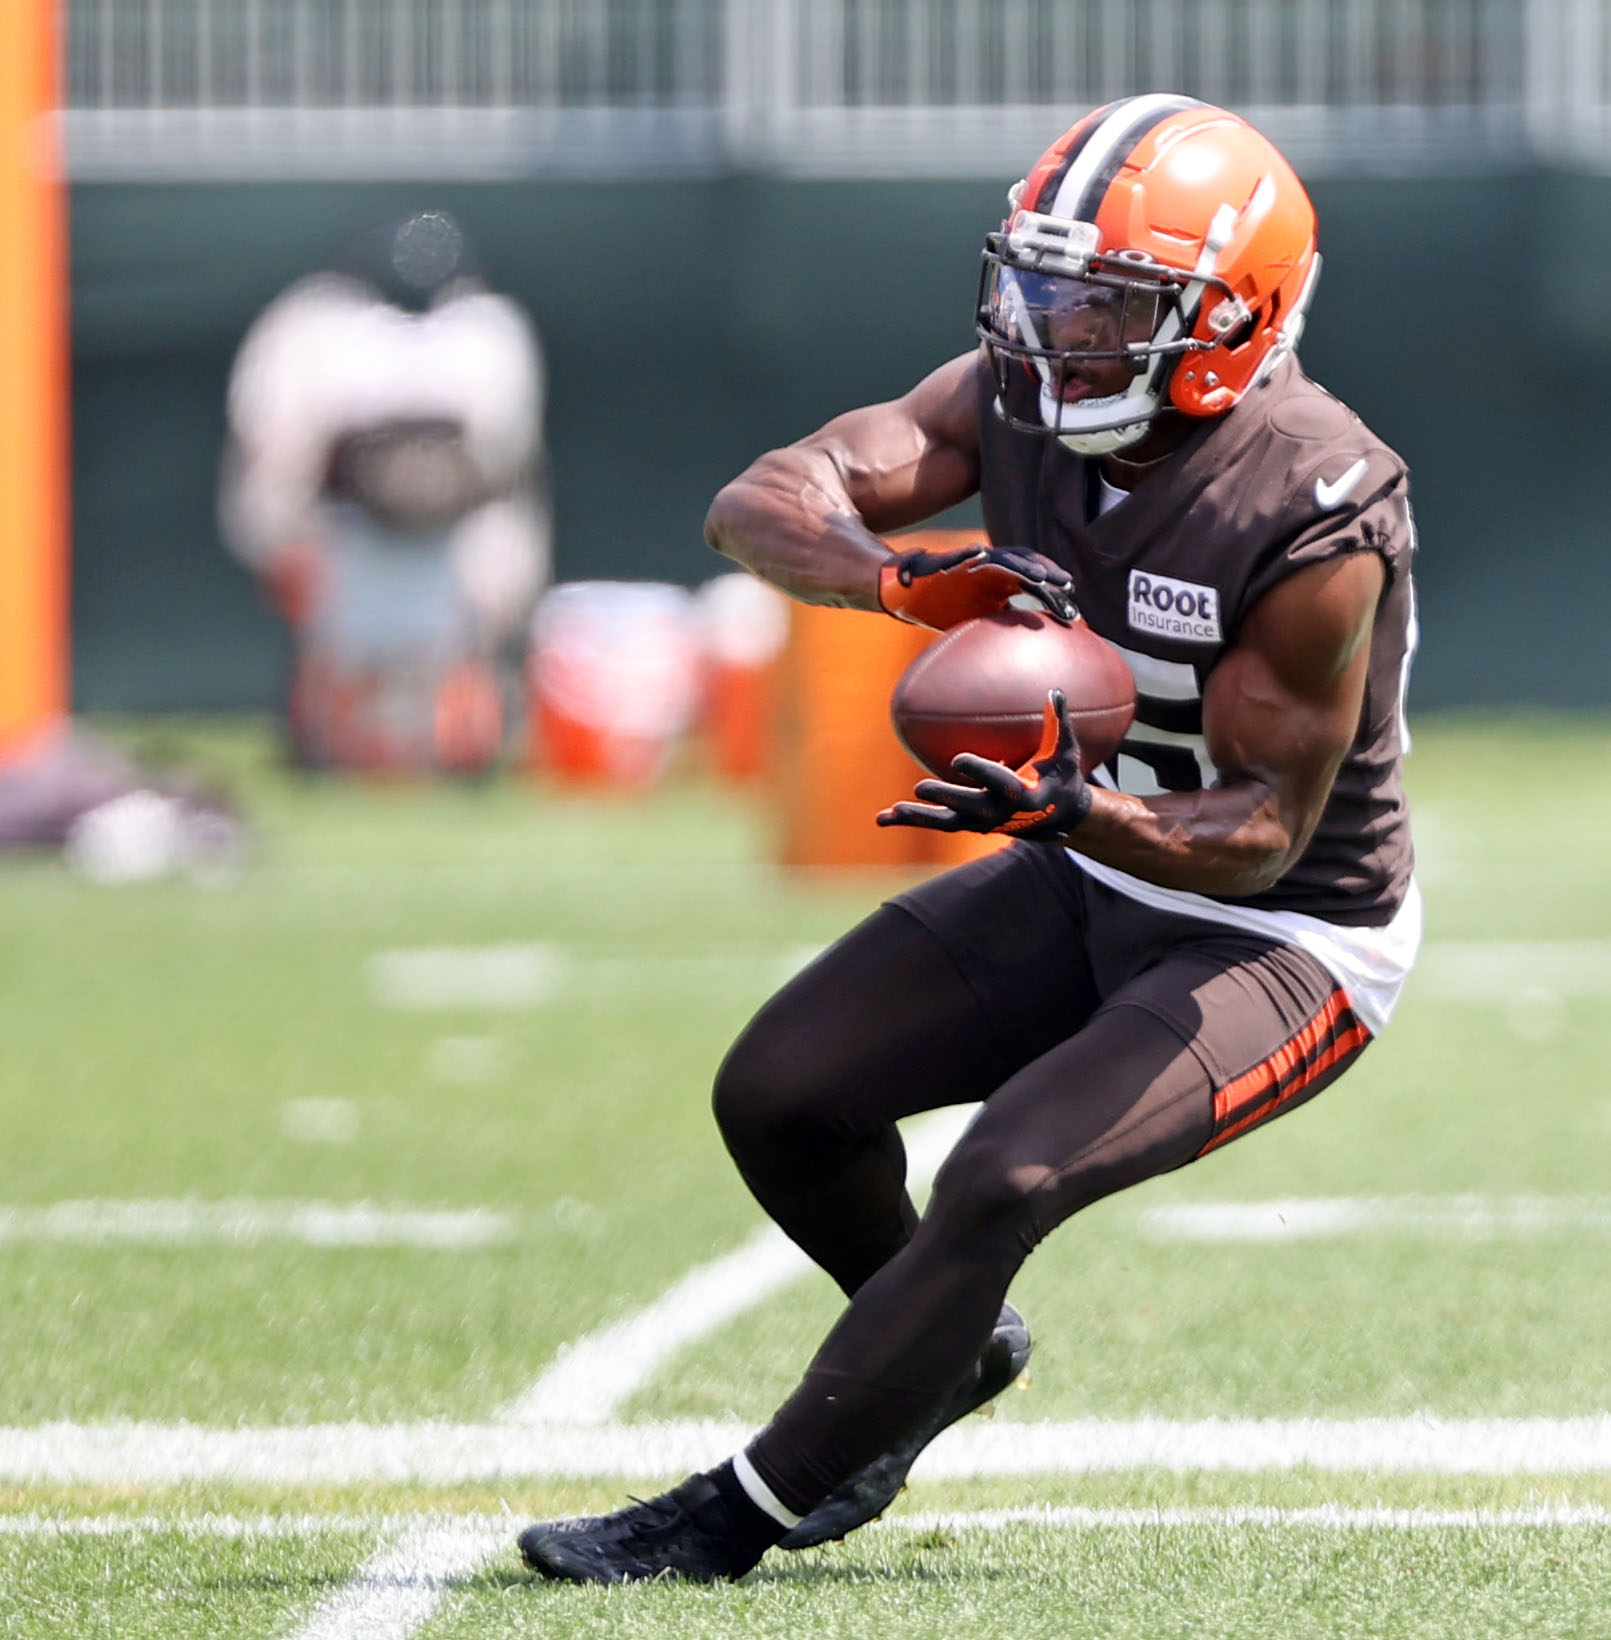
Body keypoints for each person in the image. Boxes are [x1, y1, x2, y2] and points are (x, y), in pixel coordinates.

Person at [518, 94, 1421, 1583]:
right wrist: (894, 579)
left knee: (1008, 1172)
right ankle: (941, 1346)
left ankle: (737, 1514)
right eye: (1050, 290)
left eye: (1108, 305)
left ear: (1232, 315)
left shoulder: (1314, 504)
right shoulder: (1013, 395)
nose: (1058, 334)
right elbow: (760, 500)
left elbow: (1263, 829)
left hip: (1285, 931)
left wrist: (1079, 806)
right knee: (783, 1092)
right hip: (1087, 860)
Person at [220, 211, 549, 774]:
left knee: (499, 550)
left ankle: (469, 725)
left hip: (459, 544)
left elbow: (506, 465)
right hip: (339, 531)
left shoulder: (486, 330)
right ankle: (328, 728)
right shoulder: (311, 326)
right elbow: (271, 467)